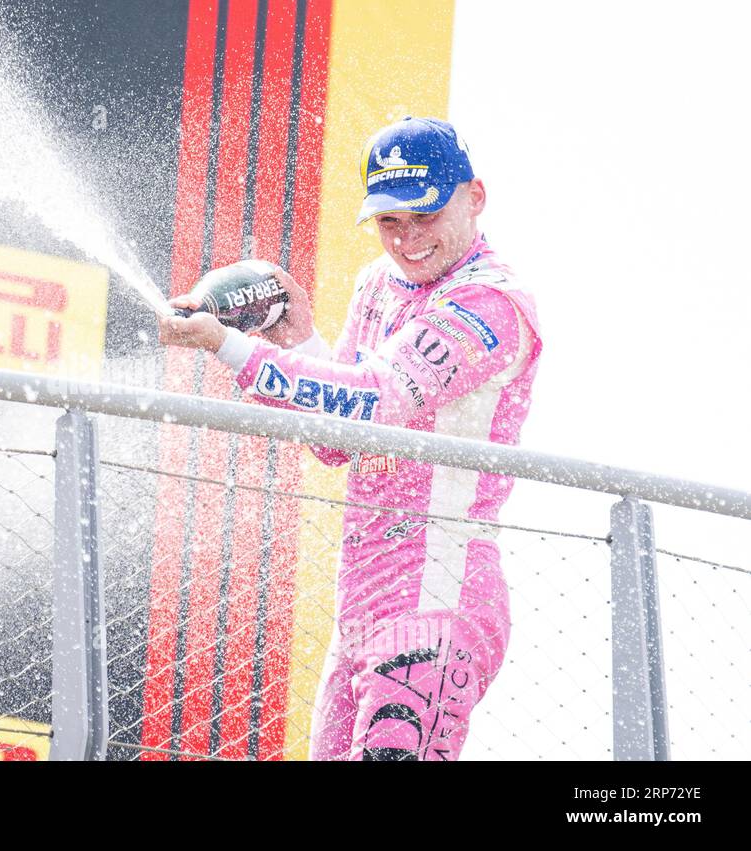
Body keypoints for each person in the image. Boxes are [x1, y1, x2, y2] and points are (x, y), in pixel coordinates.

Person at [158, 117, 542, 761]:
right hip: (361, 604)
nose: (408, 239)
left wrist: (229, 346)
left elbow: (378, 399)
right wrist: (298, 337)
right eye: (391, 223)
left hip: (439, 598)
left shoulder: (492, 303)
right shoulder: (375, 284)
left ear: (474, 195)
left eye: (425, 215)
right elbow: (338, 443)